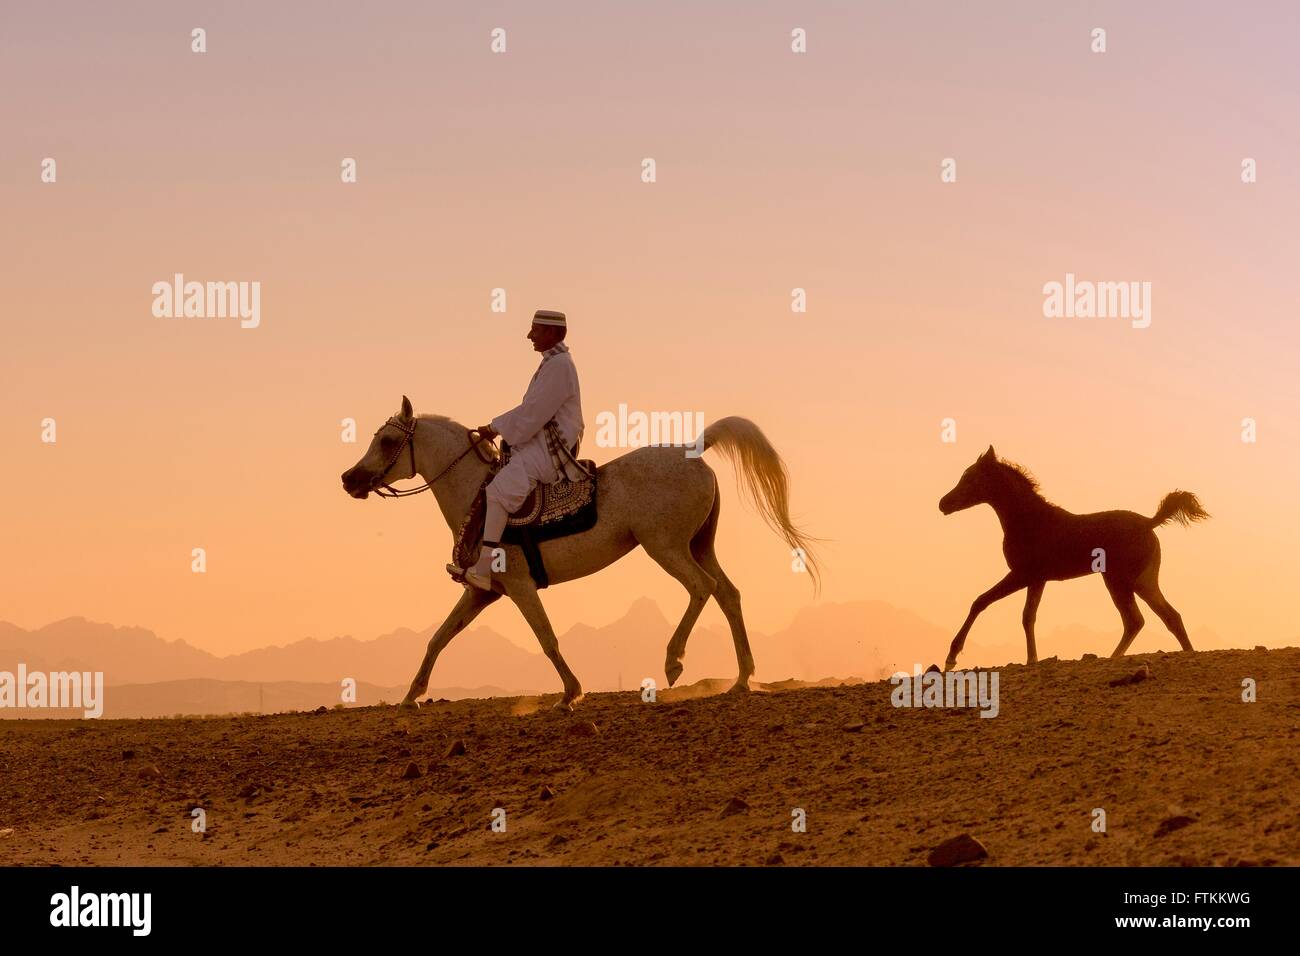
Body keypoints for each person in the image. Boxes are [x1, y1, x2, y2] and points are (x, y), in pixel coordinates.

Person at [466, 309, 586, 589]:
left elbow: (533, 413)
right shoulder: (553, 363)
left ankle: (484, 570)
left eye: (536, 330)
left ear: (554, 334)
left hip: (552, 447)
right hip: (542, 440)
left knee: (497, 492)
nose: (529, 335)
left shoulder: (559, 366)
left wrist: (493, 427)